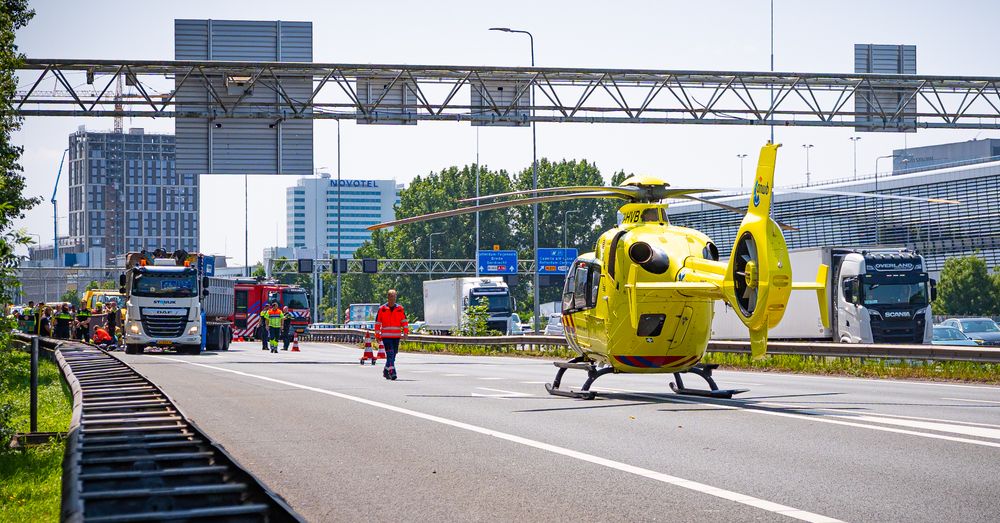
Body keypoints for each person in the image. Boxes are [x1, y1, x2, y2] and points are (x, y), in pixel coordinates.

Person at [374, 289, 409, 380]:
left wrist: (405, 332)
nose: (393, 299)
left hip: (396, 336)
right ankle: (392, 372)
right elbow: (378, 323)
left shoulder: (400, 309)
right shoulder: (382, 309)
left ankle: (386, 370)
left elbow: (404, 322)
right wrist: (377, 335)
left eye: (394, 297)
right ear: (388, 298)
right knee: (390, 354)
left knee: (393, 355)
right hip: (386, 336)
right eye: (391, 297)